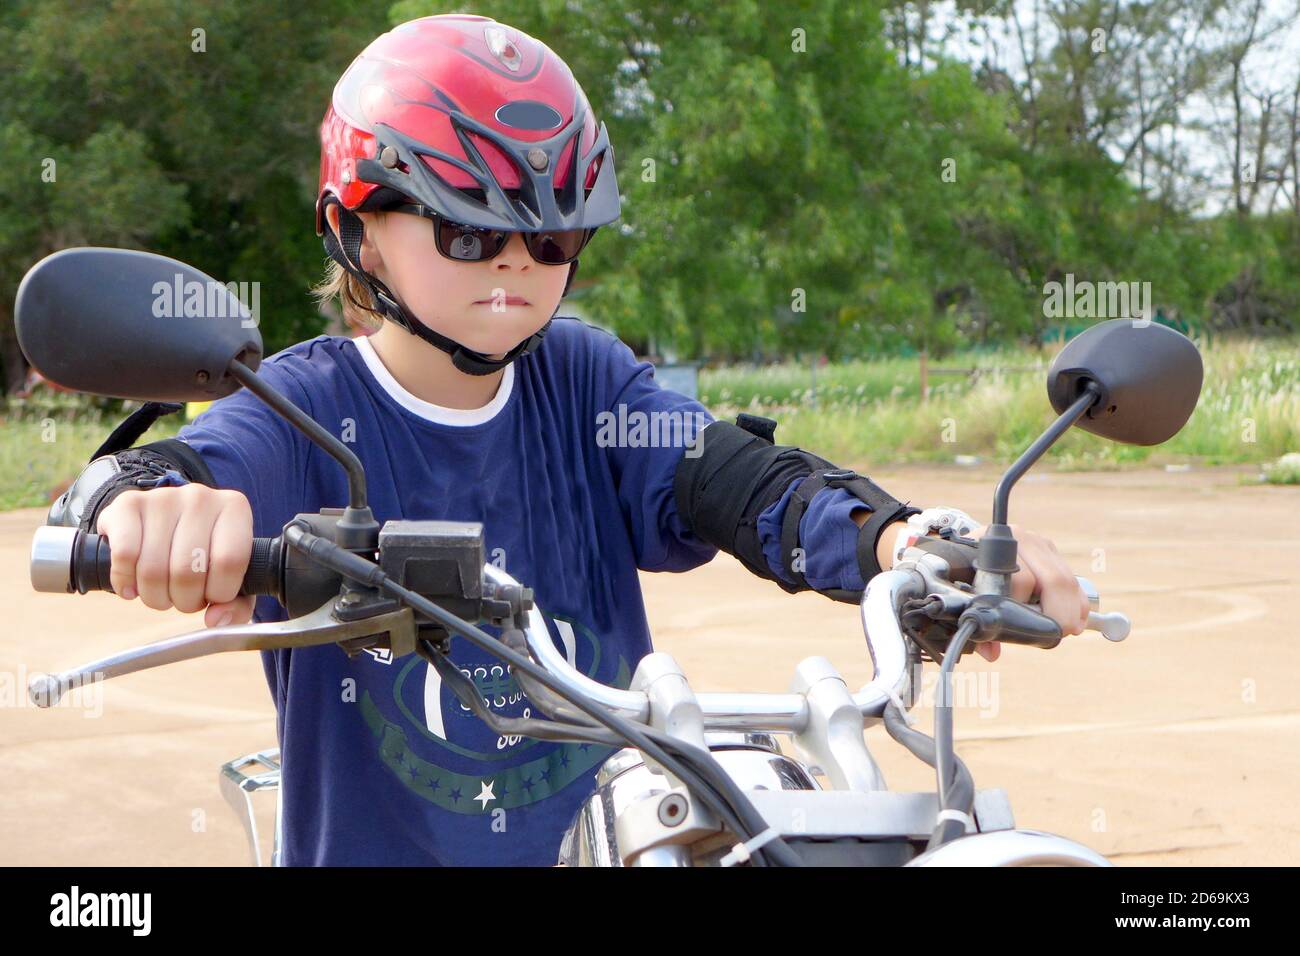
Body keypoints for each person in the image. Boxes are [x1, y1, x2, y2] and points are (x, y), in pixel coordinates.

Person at [88, 14, 1089, 866]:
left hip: (626, 841)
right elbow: (167, 472)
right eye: (470, 233)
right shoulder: (303, 408)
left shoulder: (583, 377)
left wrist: (902, 539)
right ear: (356, 229)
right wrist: (149, 504)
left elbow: (733, 480)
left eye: (554, 239)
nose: (516, 265)